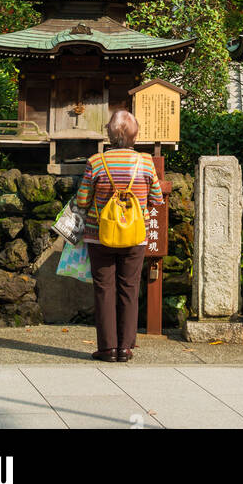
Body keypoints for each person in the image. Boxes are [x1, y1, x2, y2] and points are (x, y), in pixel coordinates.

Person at [75, 110, 163, 362]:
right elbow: (157, 200)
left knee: (104, 289)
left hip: (99, 234)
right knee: (129, 288)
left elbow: (82, 200)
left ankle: (107, 349)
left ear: (109, 134)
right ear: (135, 135)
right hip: (135, 235)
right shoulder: (145, 163)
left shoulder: (96, 162)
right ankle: (125, 347)